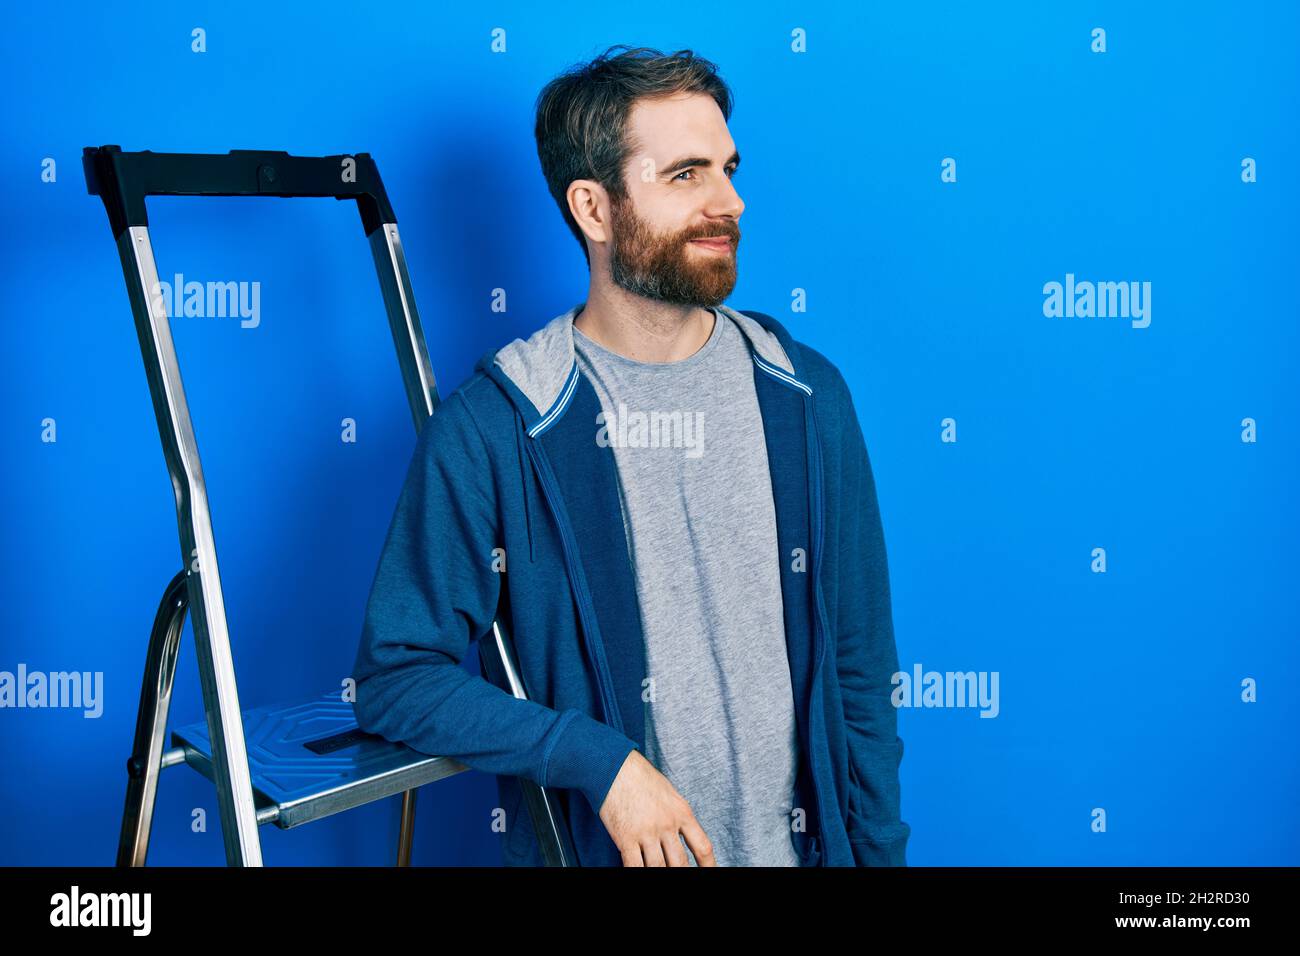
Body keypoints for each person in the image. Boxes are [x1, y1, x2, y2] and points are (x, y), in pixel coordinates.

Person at [351, 44, 910, 867]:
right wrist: (597, 760)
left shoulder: (806, 397)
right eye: (686, 175)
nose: (730, 202)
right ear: (594, 208)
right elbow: (397, 677)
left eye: (727, 167)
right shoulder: (499, 427)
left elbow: (861, 680)